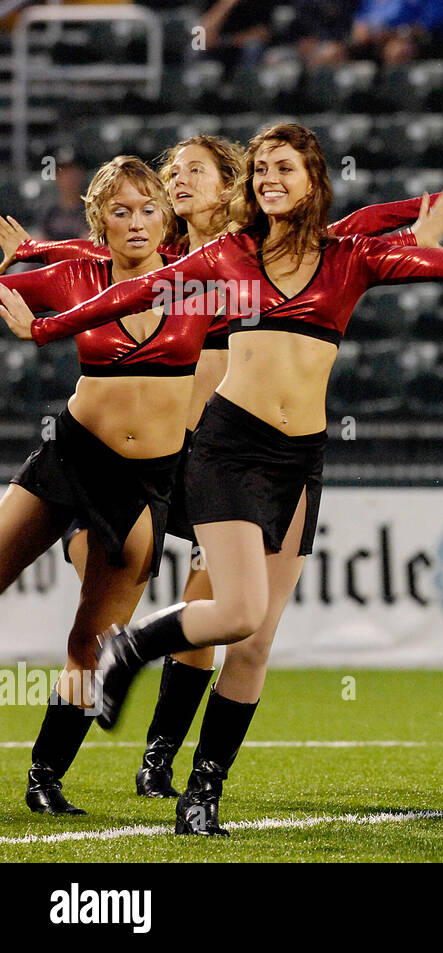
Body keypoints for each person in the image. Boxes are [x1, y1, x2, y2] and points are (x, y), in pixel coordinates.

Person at [0, 123, 443, 836]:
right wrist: (38, 306)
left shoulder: (288, 256)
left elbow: (369, 236)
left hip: (223, 461)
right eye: (172, 174)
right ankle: (129, 699)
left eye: (193, 172)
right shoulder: (205, 259)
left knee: (226, 627)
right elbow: (92, 274)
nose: (179, 181)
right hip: (153, 452)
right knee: (198, 608)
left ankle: (159, 768)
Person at [0, 157, 196, 816]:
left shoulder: (197, 278)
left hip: (143, 482)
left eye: (148, 208)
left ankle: (45, 776)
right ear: (100, 223)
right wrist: (19, 259)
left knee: (91, 642)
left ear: (166, 219)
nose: (136, 221)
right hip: (70, 456)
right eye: (121, 210)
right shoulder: (77, 275)